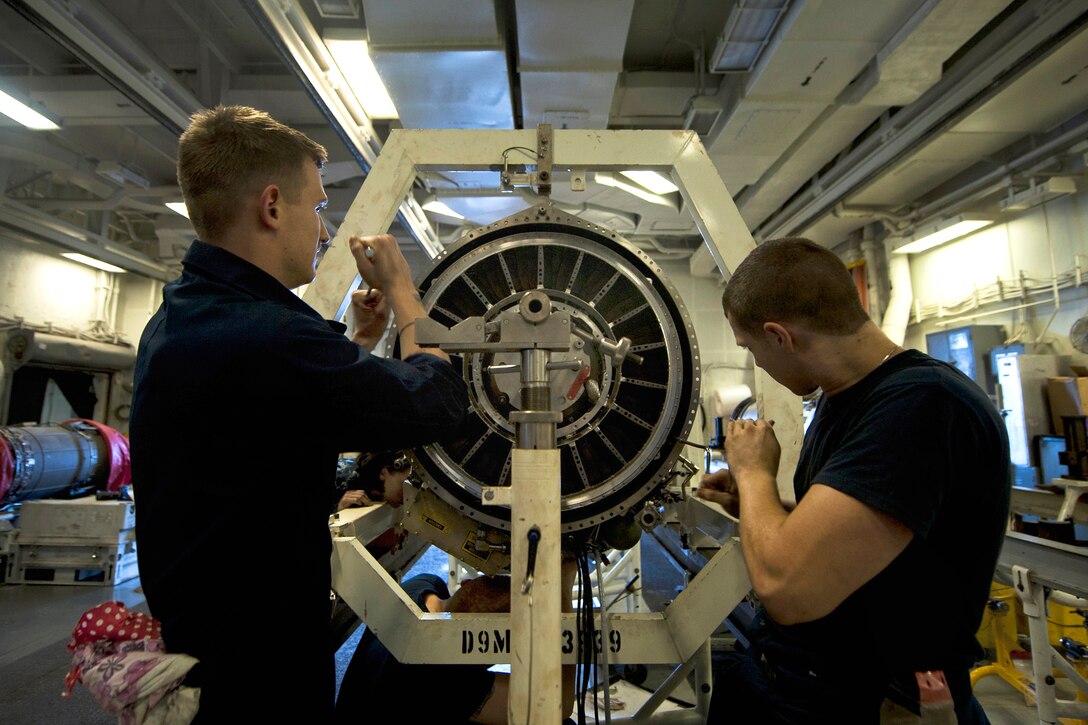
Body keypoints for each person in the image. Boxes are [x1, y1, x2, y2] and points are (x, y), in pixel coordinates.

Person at [130, 105, 469, 721]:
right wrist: (403, 292)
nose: (322, 230)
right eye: (316, 208)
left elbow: (274, 420)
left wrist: (358, 348)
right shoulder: (270, 338)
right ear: (270, 206)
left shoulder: (182, 315)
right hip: (258, 678)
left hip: (204, 651)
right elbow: (437, 404)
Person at [697, 238, 1010, 724]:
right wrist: (759, 505)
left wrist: (754, 473)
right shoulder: (844, 399)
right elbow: (856, 539)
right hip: (805, 684)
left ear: (780, 336)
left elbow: (788, 588)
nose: (756, 362)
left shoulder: (921, 405)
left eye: (749, 346)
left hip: (871, 701)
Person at [335, 565, 577, 724]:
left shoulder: (420, 587)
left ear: (465, 584)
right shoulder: (442, 675)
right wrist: (562, 588)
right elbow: (558, 705)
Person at [334, 450, 413, 511]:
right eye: (403, 485)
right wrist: (339, 508)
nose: (408, 493)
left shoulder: (378, 490)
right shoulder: (341, 476)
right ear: (383, 473)